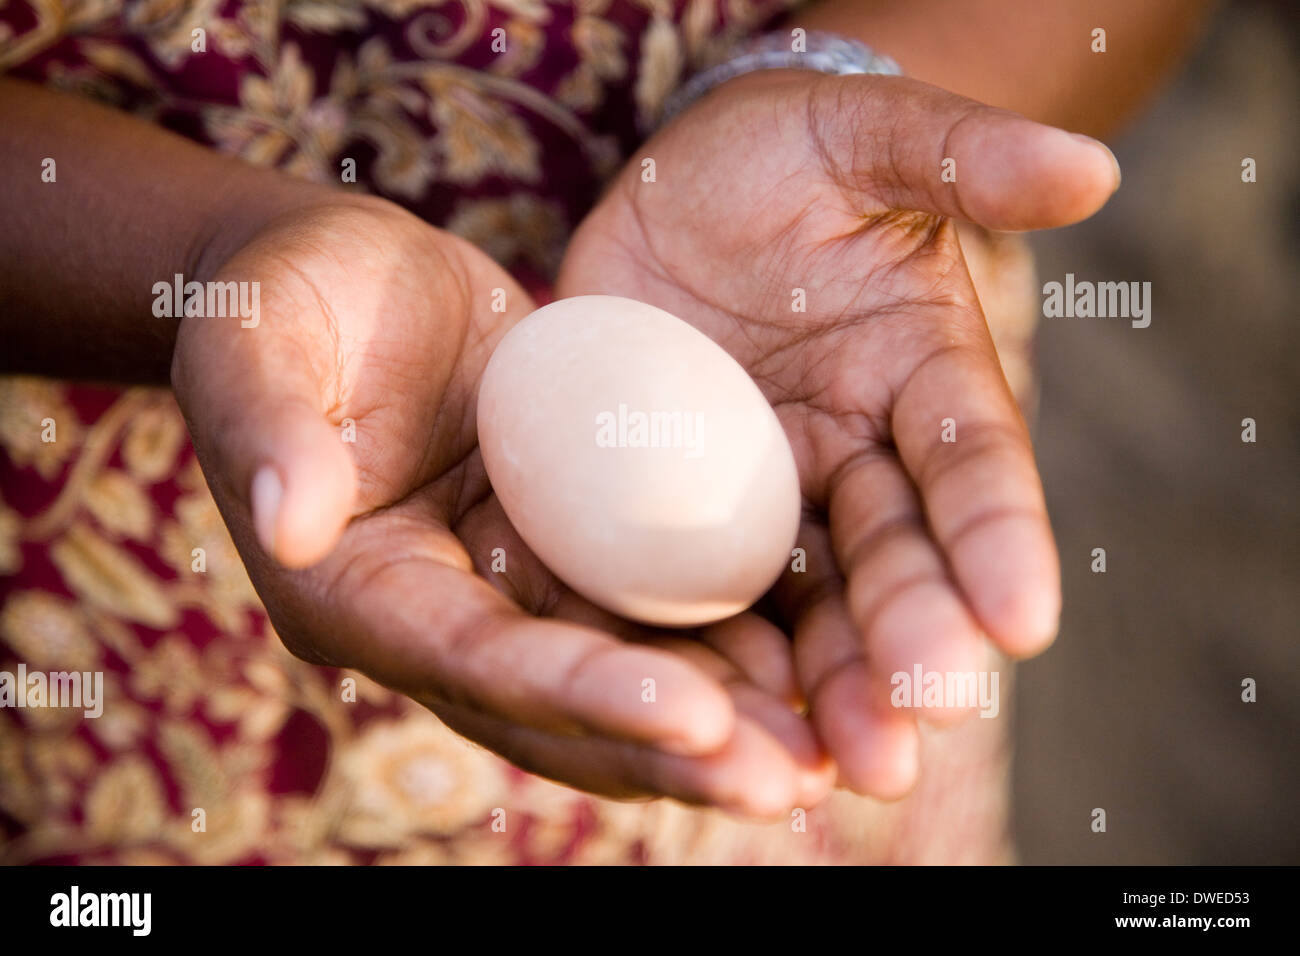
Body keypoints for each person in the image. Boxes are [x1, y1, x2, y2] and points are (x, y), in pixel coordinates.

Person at [0, 0, 1209, 864]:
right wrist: (201, 261)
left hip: (818, 359)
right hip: (136, 581)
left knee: (831, 732)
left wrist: (839, 83)